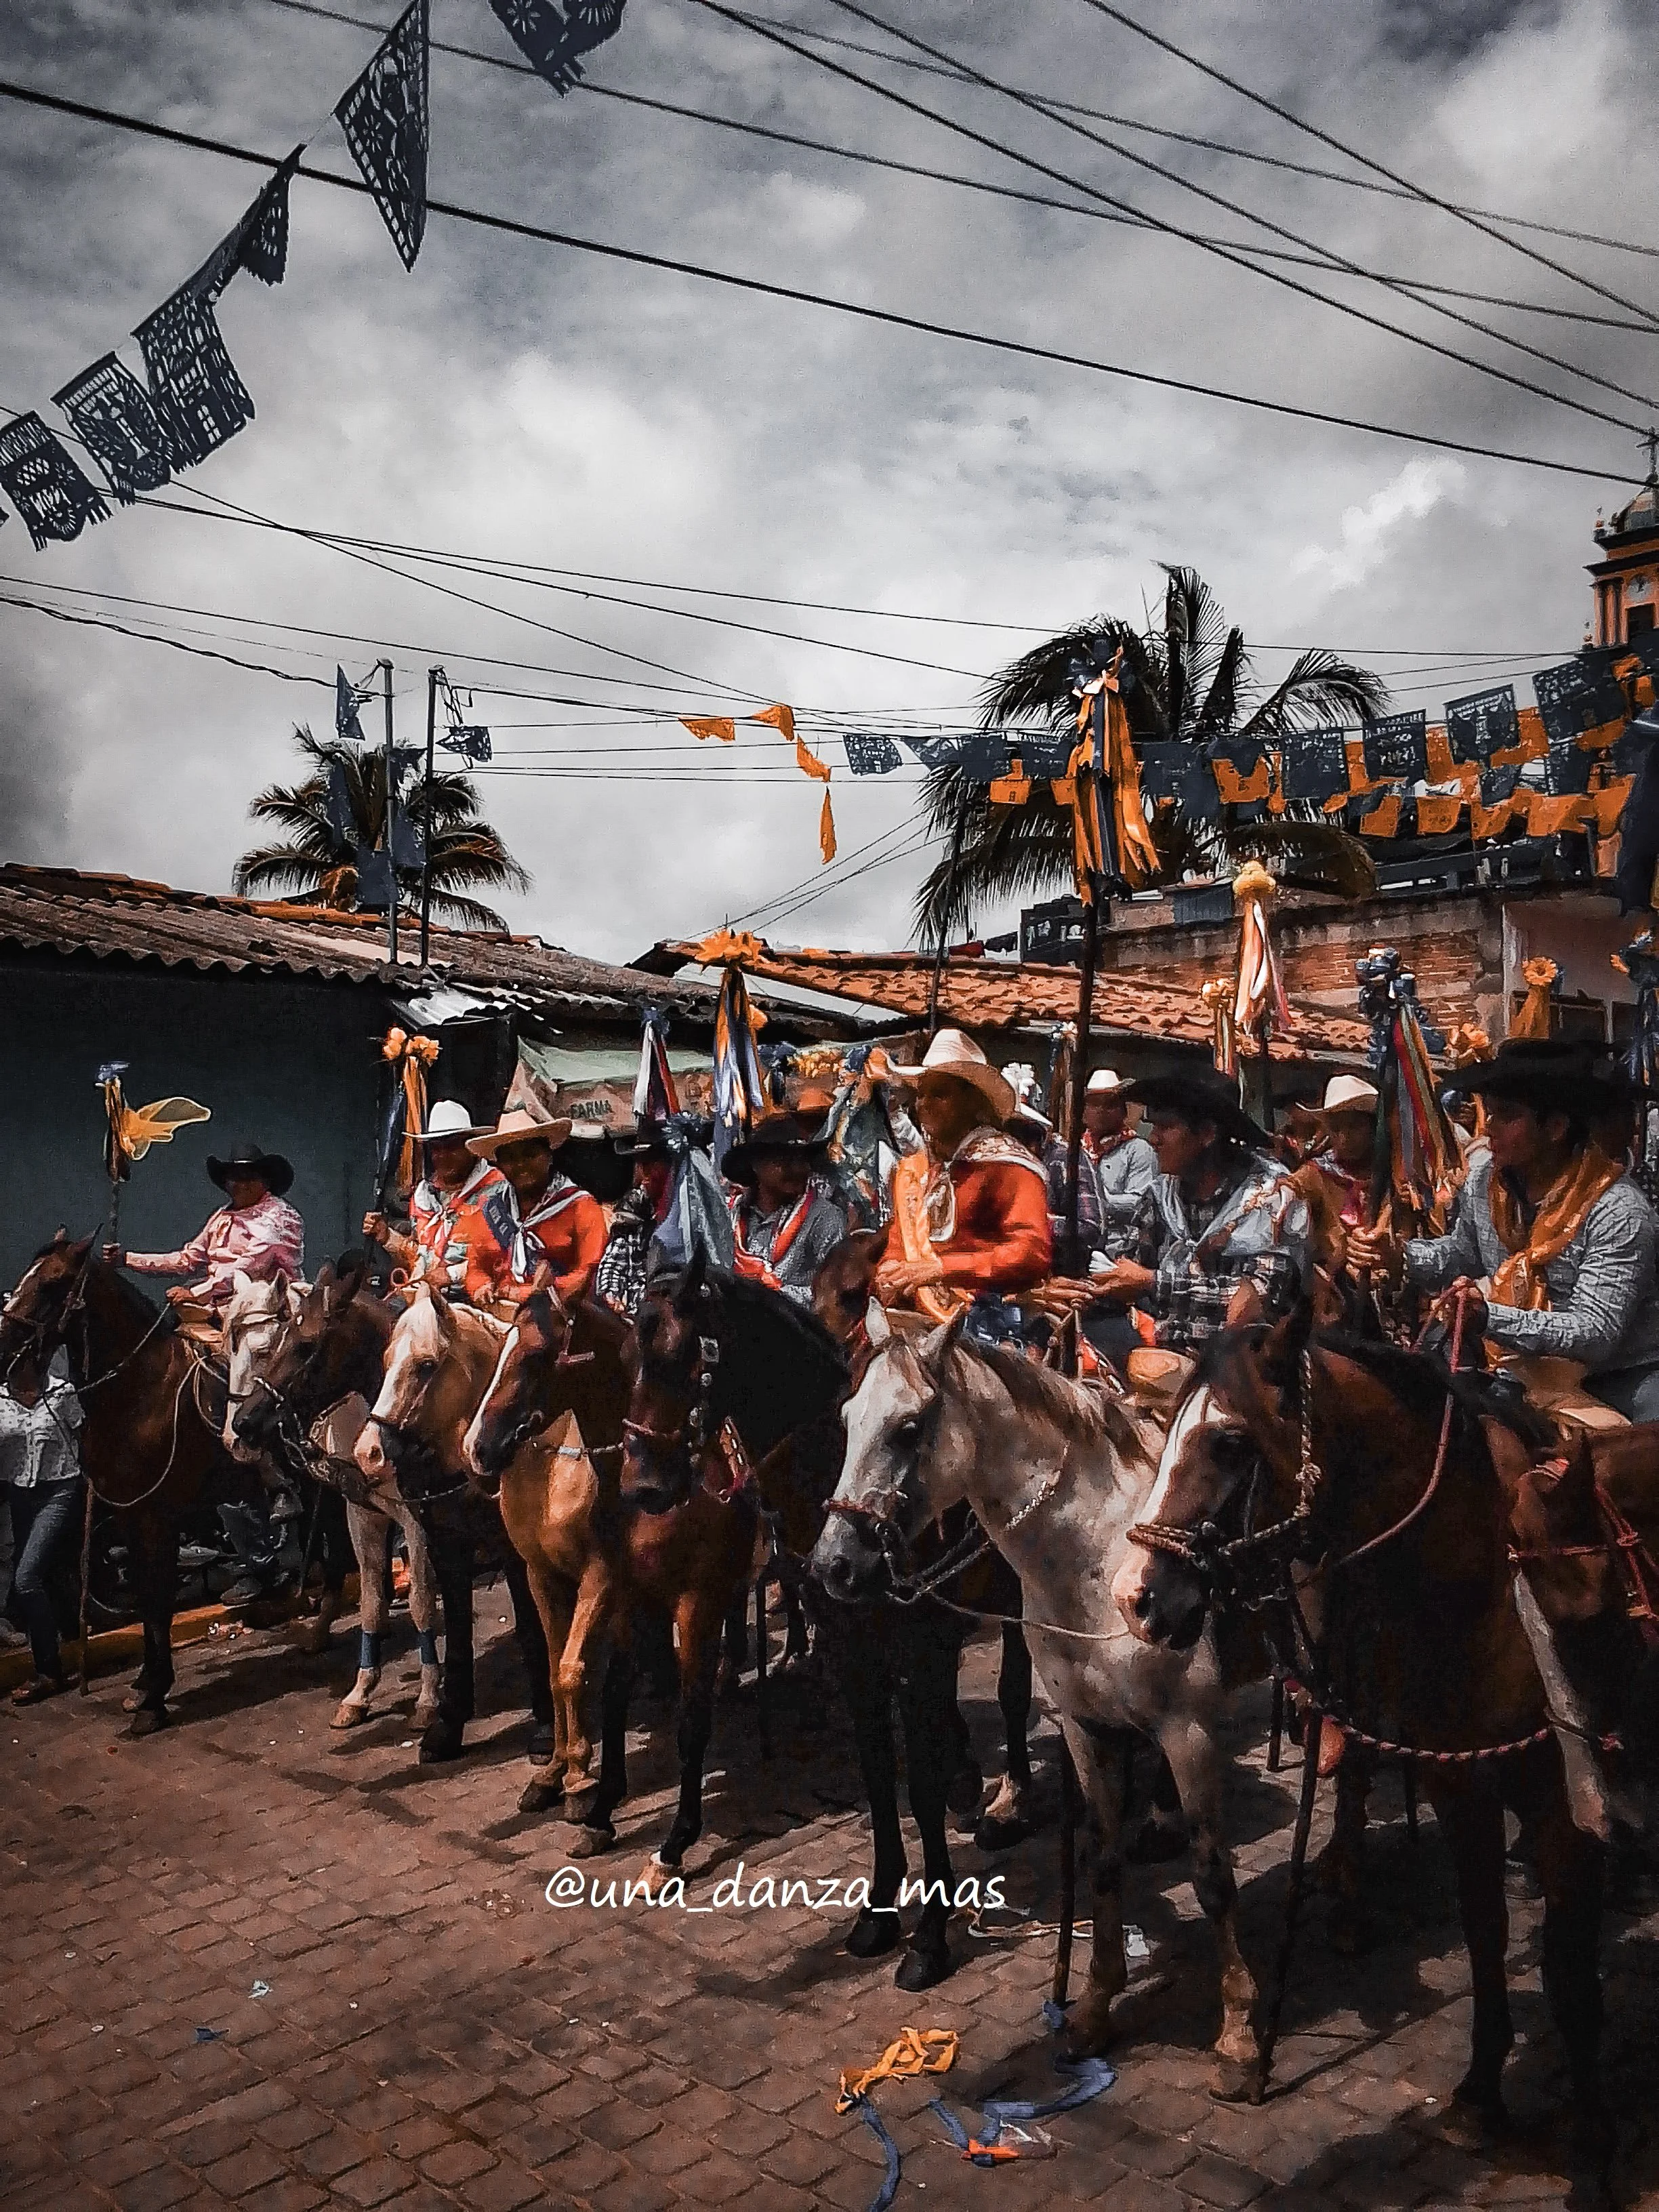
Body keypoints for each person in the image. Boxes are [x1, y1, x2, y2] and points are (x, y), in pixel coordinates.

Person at [1350, 1040, 1659, 1422]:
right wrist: (1400, 1255)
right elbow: (1464, 1252)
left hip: (1618, 1378)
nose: (1489, 1128)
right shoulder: (1485, 1179)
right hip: (1520, 1369)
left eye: (1507, 1116)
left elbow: (1594, 1331)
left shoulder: (1620, 1210)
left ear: (1556, 1128)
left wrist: (1489, 1318)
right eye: (1490, 1113)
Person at [1090, 1067, 1311, 1355]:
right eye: (1153, 1127)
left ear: (1207, 1134)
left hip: (1244, 1368)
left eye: (1166, 1127)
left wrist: (1152, 1282)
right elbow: (1129, 1272)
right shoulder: (1159, 1197)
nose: (1153, 1140)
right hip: (1163, 1355)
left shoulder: (1271, 1199)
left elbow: (1257, 1301)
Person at [874, 1030, 1051, 1331]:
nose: (925, 1104)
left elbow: (1030, 1252)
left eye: (940, 1095)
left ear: (972, 1102)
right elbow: (900, 1238)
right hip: (917, 1316)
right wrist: (891, 1267)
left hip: (992, 1318)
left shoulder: (1007, 1166)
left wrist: (943, 1269)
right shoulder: (918, 1169)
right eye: (921, 1095)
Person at [107, 1142, 305, 1320]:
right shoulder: (222, 1216)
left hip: (266, 1306)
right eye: (235, 1178)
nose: (241, 1185)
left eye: (249, 1177)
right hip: (217, 1303)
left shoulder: (280, 1217)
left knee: (254, 1343)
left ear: (266, 1182)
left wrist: (196, 1293)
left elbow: (250, 1267)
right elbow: (188, 1260)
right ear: (226, 1183)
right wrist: (127, 1259)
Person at [363, 1099, 515, 1306]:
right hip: (423, 1297)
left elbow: (509, 1254)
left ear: (470, 1147)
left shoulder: (499, 1192)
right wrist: (387, 1237)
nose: (443, 1156)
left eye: (452, 1147)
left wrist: (451, 1274)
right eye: (436, 1149)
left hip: (474, 1301)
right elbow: (420, 1253)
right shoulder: (424, 1195)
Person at [0, 1347, 84, 1702]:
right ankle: (57, 1647)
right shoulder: (0, 1399)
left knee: (27, 1578)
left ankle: (48, 1670)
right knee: (39, 1576)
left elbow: (84, 1434)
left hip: (59, 1489)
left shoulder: (62, 1393)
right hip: (18, 1495)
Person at [466, 1109, 607, 1305]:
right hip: (496, 1311)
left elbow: (589, 1273)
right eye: (510, 1159)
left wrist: (533, 1294)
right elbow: (476, 1266)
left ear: (549, 1156)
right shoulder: (492, 1209)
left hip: (559, 1320)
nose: (521, 1165)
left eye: (530, 1155)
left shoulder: (580, 1207)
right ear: (499, 1165)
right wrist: (481, 1286)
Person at [723, 1107, 848, 1305]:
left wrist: (775, 1292)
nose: (797, 1168)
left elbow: (835, 1292)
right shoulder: (729, 1216)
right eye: (783, 1160)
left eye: (802, 1160)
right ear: (756, 1165)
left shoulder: (825, 1218)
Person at [1290, 1073, 1382, 1292]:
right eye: (1336, 1129)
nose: (1344, 1139)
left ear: (1373, 1127)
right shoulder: (1313, 1176)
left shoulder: (1393, 1178)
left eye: (1354, 1127)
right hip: (1332, 1296)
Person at [1006, 1086, 1103, 1273]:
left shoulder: (1065, 1159)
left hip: (1062, 1271)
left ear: (1033, 1142)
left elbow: (1089, 1227)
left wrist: (1034, 1222)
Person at [597, 1121, 676, 1317]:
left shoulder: (692, 1214)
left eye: (651, 1163)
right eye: (641, 1163)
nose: (643, 1173)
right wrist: (610, 1292)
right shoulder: (635, 1207)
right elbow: (615, 1259)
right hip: (634, 1318)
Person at [1082, 1069, 1158, 1261]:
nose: (1100, 1111)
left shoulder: (1138, 1149)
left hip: (1119, 1251)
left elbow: (1141, 1203)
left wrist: (1096, 1201)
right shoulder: (1077, 1149)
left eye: (1109, 1105)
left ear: (1123, 1111)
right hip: (1079, 1246)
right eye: (1094, 1104)